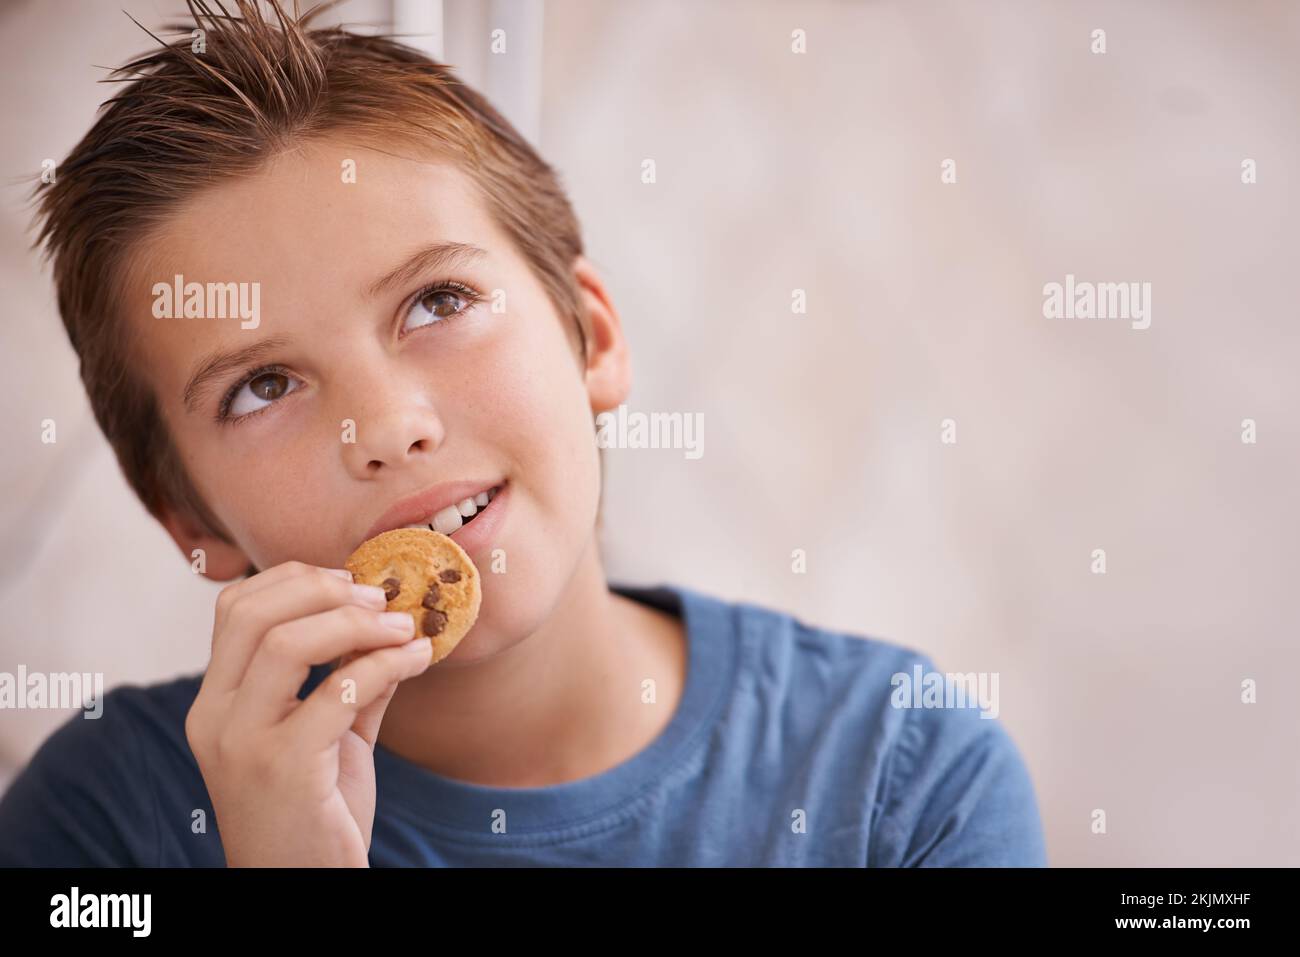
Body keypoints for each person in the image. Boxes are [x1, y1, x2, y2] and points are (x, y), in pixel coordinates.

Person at [0, 0, 1046, 867]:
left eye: (436, 303)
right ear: (188, 515)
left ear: (589, 336)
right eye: (264, 385)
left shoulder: (899, 778)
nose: (391, 428)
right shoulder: (107, 827)